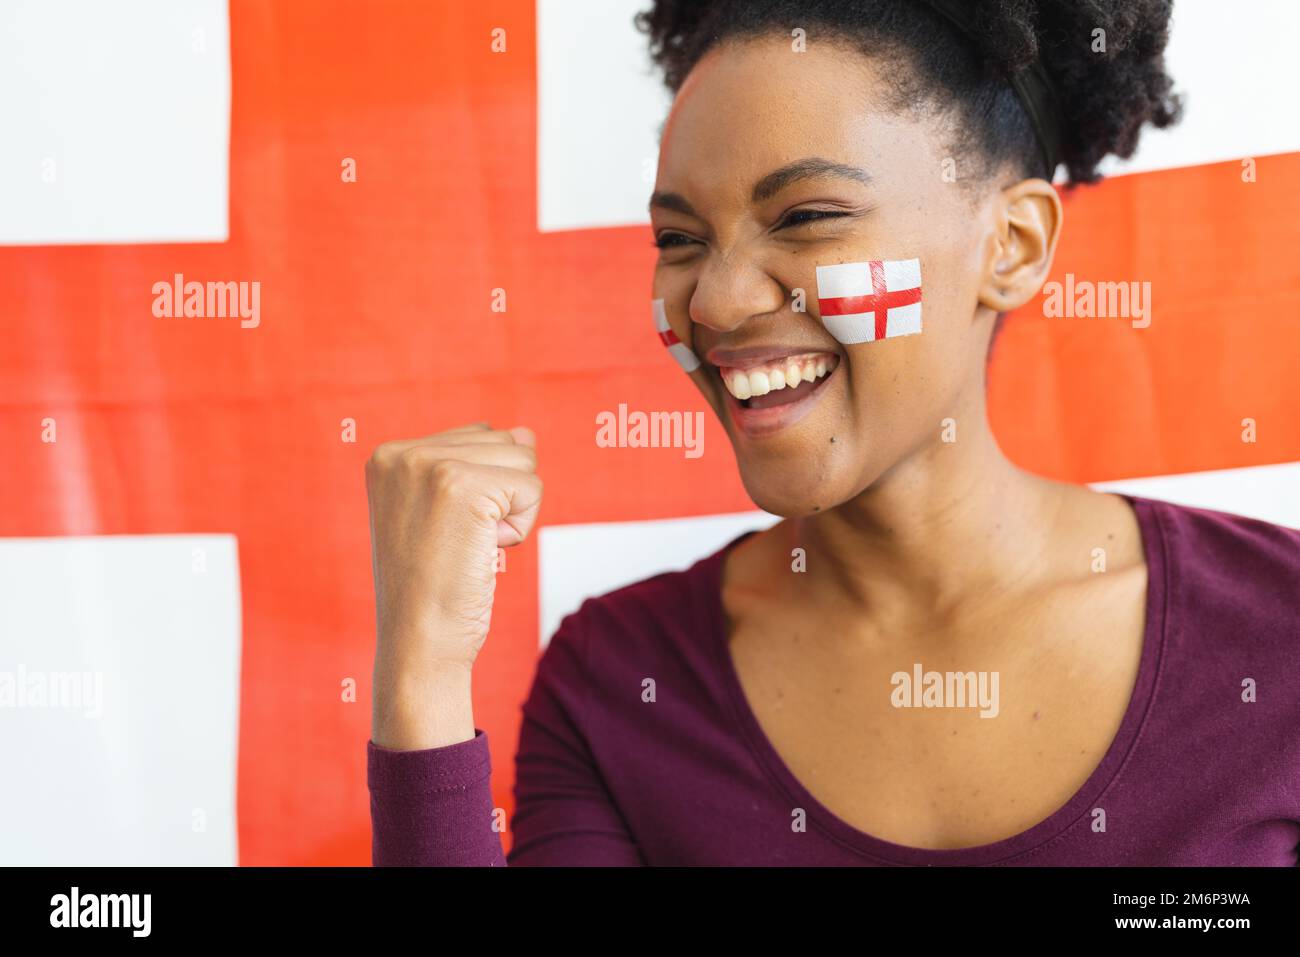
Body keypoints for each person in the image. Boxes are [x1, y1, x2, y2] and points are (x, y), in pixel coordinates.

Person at [364, 0, 1300, 865]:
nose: (719, 301)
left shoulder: (1278, 632)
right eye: (680, 241)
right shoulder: (618, 684)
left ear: (1011, 246)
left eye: (807, 217)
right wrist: (424, 679)